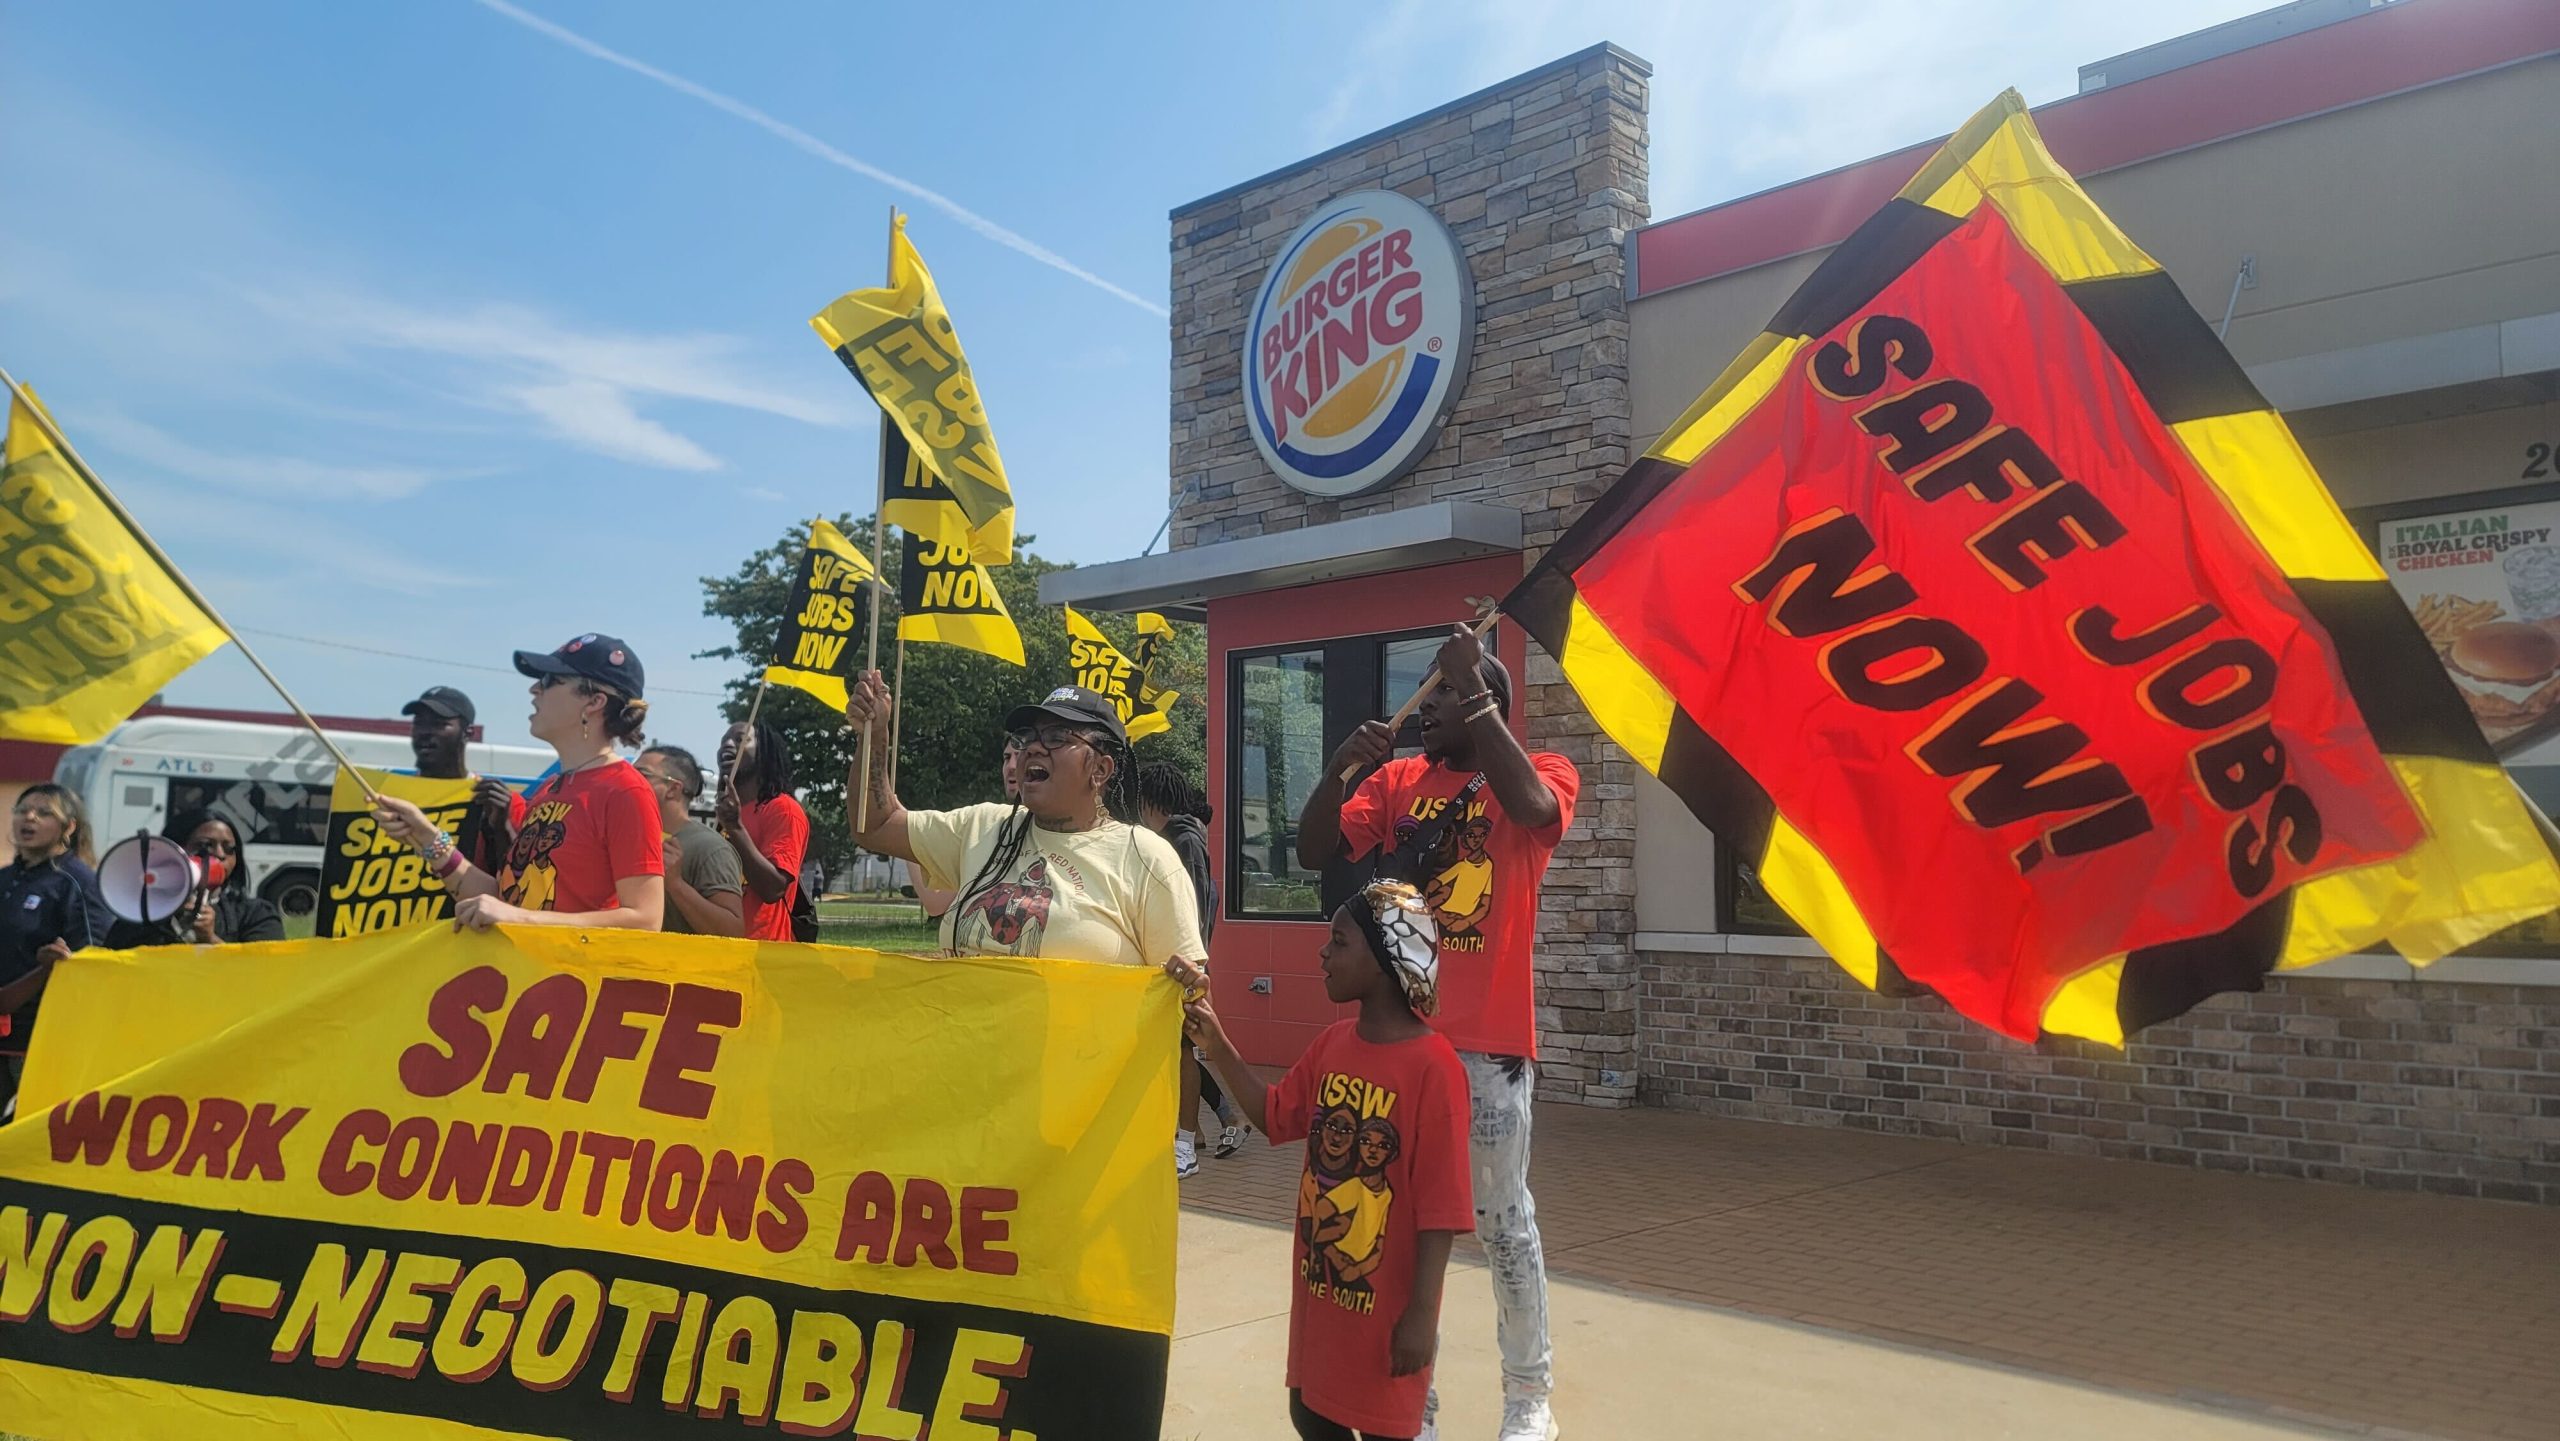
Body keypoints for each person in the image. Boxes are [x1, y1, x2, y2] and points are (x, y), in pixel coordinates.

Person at [1296, 624, 1579, 1441]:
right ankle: (1411, 1402)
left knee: (1501, 1223)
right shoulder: (1396, 781)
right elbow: (1315, 849)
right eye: (1430, 686)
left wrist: (1477, 688)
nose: (1429, 702)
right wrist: (1339, 769)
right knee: (1397, 1230)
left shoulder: (1543, 770)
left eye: (1447, 688)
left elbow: (1534, 810)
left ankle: (1528, 1395)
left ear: (1488, 698)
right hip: (1402, 1043)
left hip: (1489, 1049)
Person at [1177, 882, 1471, 1441]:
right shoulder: (1332, 1045)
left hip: (1387, 1311)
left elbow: (1443, 1210)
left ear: (1383, 958)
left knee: (1385, 1429)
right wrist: (1217, 1044)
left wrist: (1421, 1317)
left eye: (1338, 942)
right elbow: (1274, 1116)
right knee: (1310, 1413)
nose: (1323, 953)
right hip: (1324, 1300)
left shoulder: (1435, 1070)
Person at [370, 633, 664, 931]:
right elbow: (508, 901)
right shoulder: (550, 788)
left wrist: (519, 917)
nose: (534, 689)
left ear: (594, 701)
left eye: (550, 680)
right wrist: (428, 839)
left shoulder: (626, 790)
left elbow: (645, 919)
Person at [1140, 759, 1245, 1166]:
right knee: (1178, 1049)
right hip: (1177, 965)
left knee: (1185, 1050)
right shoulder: (1180, 839)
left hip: (1183, 968)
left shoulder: (1183, 843)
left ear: (1154, 803)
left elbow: (1193, 909)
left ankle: (1186, 1142)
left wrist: (1191, 968)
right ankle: (1201, 1129)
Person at [0, 784, 112, 1114]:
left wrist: (53, 962)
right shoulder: (6, 878)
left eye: (44, 812)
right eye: (22, 810)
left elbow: (94, 960)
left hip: (37, 1039)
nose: (29, 818)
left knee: (27, 1129)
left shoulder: (79, 882)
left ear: (69, 827)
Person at [104, 810, 286, 949]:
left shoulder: (255, 915)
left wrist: (211, 939)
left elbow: (263, 973)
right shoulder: (142, 916)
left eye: (229, 848)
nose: (220, 854)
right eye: (205, 846)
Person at [403, 685, 526, 876]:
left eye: (439, 724)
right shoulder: (395, 799)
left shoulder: (501, 803)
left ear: (468, 733)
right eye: (419, 723)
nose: (425, 732)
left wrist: (501, 828)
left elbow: (520, 878)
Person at [715, 718, 810, 943]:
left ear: (764, 753)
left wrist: (735, 827)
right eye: (724, 741)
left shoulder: (783, 809)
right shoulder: (728, 813)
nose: (727, 744)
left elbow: (773, 888)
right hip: (722, 946)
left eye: (740, 740)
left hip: (762, 949)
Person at [636, 745, 744, 937]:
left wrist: (676, 884)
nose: (630, 781)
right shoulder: (630, 839)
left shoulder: (709, 847)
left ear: (673, 789)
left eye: (642, 775)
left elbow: (732, 931)